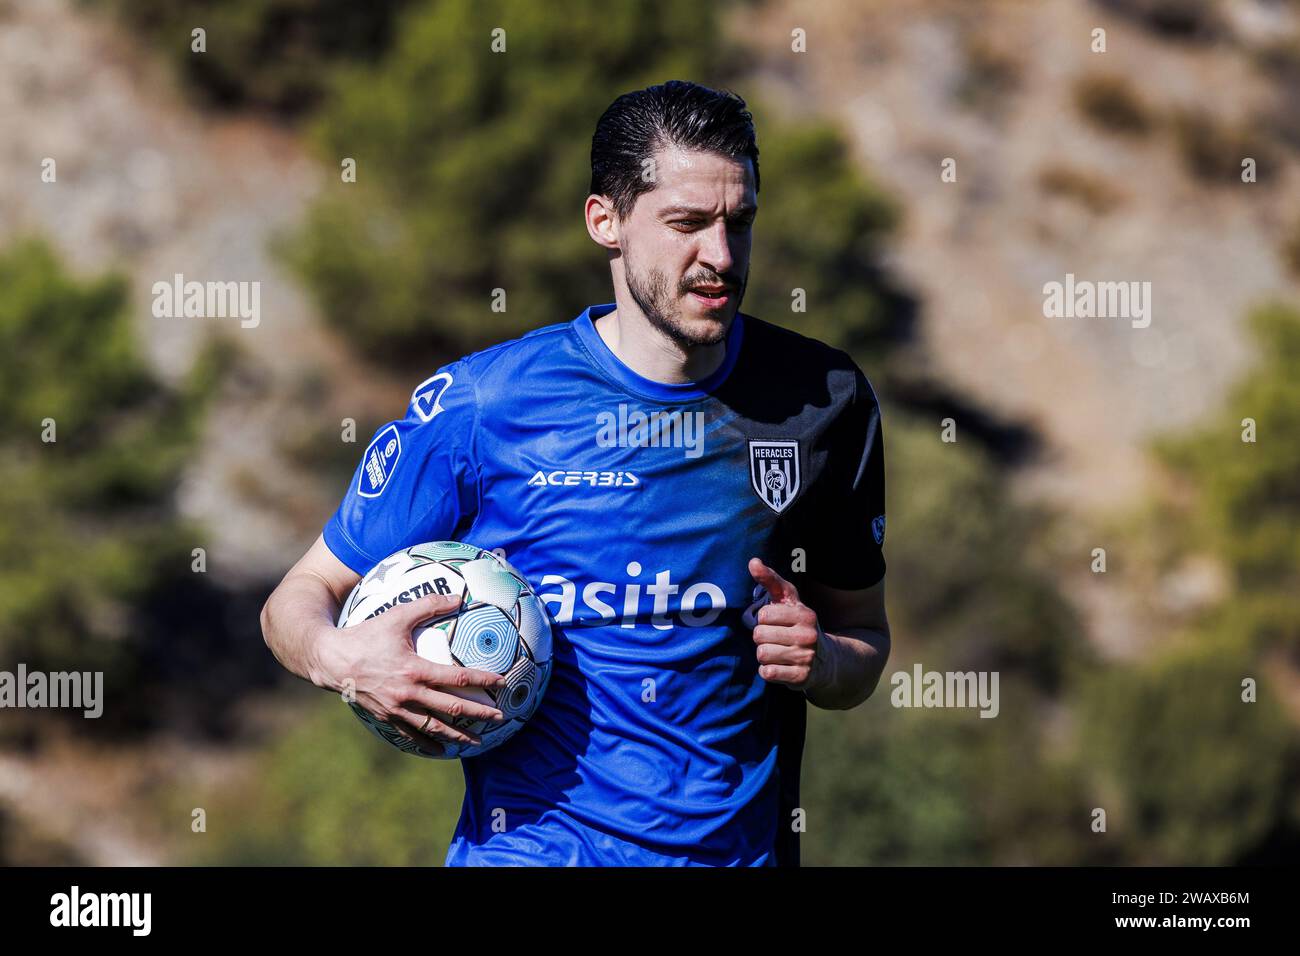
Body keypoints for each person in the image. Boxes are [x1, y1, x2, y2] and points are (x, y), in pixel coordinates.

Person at [261, 79, 891, 866]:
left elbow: (863, 635)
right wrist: (344, 659)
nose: (721, 256)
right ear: (607, 222)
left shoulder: (823, 400)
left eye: (741, 222)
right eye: (687, 223)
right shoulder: (486, 404)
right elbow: (296, 598)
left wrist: (824, 659)